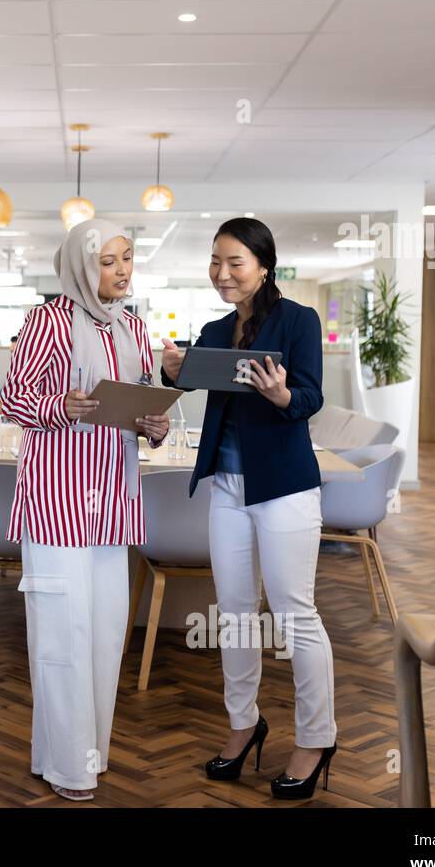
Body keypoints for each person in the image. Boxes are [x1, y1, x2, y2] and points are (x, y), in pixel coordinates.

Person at [159, 216, 336, 800]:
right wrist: (171, 373)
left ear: (264, 266)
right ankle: (243, 726)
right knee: (234, 612)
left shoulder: (299, 320)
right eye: (215, 261)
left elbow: (308, 396)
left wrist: (282, 394)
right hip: (227, 488)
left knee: (293, 614)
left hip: (283, 487)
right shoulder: (212, 329)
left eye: (235, 262)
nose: (222, 273)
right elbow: (182, 390)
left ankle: (315, 739)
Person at [0, 219, 170, 801]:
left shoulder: (134, 328)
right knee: (62, 636)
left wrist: (155, 425)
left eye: (127, 258)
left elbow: (145, 405)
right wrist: (61, 404)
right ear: (80, 265)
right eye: (109, 261)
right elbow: (12, 400)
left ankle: (86, 755)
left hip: (113, 505)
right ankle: (65, 765)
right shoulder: (46, 321)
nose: (122, 269)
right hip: (57, 502)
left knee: (102, 635)